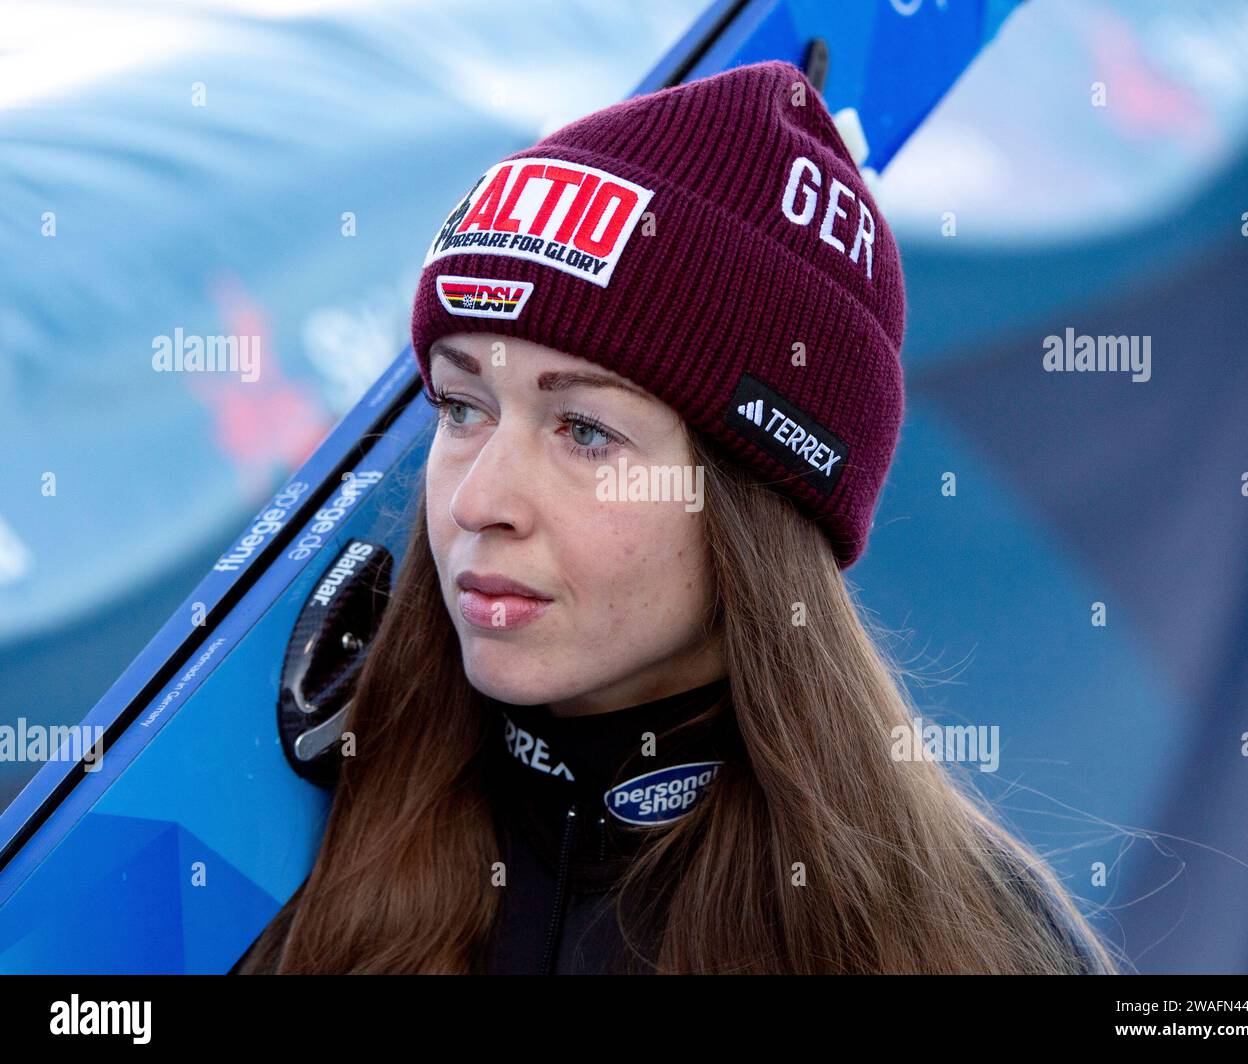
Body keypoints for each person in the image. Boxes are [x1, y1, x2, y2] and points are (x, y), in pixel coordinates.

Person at [235, 59, 1118, 975]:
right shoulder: (275, 849)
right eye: (463, 408)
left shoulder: (963, 944)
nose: (477, 501)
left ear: (754, 503)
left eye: (584, 430)